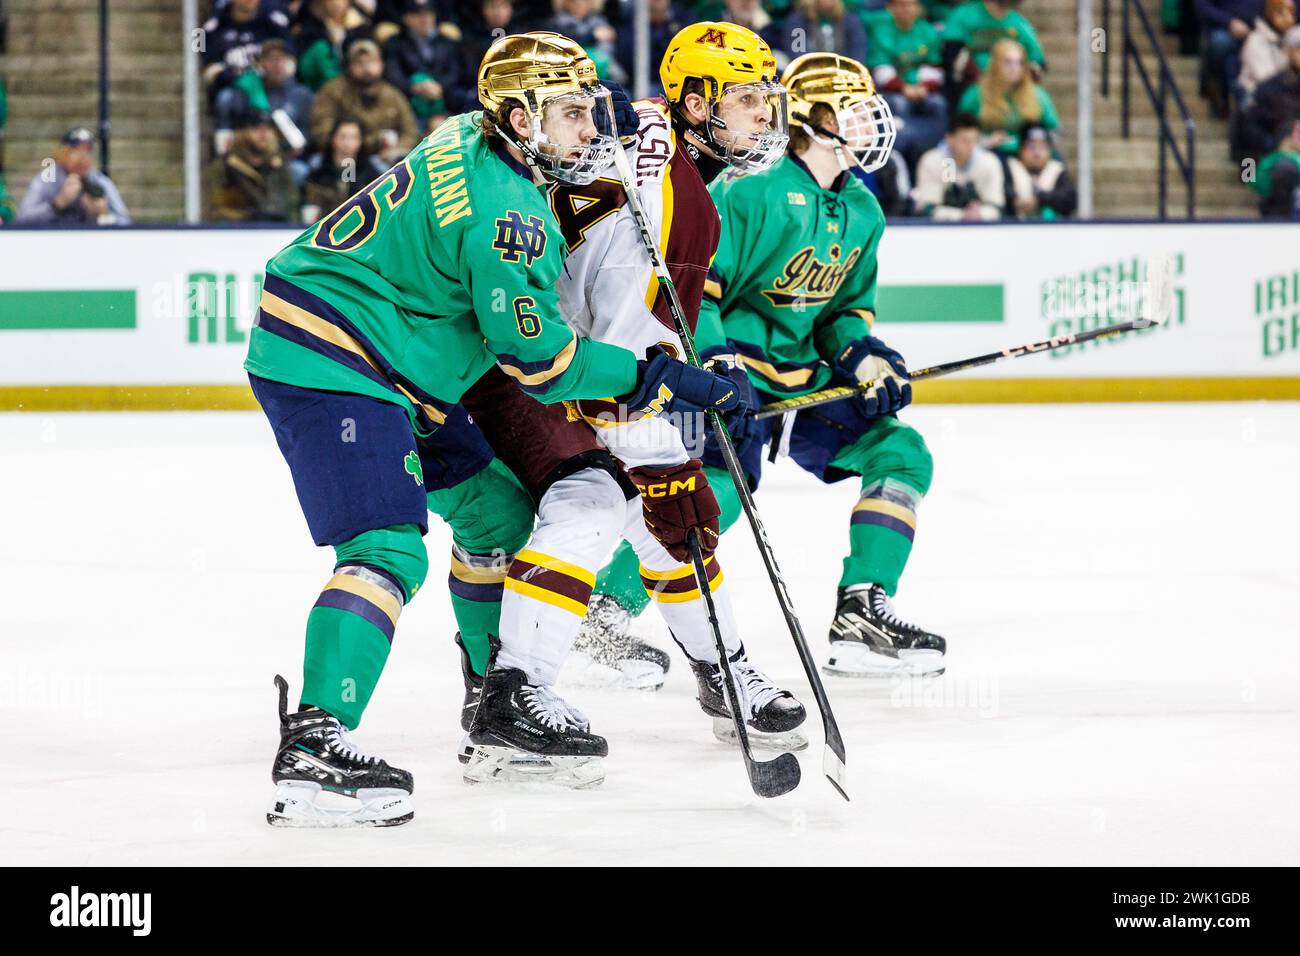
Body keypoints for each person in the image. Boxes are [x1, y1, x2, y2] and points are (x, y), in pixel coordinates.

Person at [251, 32, 743, 825]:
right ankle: (314, 743)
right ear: (519, 118)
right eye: (572, 114)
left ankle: (497, 713)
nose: (590, 131)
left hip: (392, 361)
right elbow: (543, 362)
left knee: (499, 516)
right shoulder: (508, 215)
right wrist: (659, 377)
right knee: (385, 550)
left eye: (591, 110)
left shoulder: (470, 134)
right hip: (335, 361)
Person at [458, 23, 805, 789]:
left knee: (672, 523)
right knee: (598, 500)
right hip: (516, 360)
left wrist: (674, 430)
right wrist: (665, 454)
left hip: (560, 353)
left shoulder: (658, 144)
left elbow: (624, 328)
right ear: (693, 103)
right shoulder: (669, 192)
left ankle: (725, 673)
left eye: (766, 100)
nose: (765, 117)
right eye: (747, 101)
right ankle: (512, 697)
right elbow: (609, 337)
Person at [578, 52, 946, 682]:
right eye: (851, 111)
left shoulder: (865, 209)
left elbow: (845, 310)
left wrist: (863, 355)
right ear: (812, 116)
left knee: (902, 452)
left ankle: (861, 608)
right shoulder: (751, 188)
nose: (866, 124)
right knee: (716, 486)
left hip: (804, 377)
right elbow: (700, 290)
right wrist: (719, 363)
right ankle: (604, 613)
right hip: (732, 370)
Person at [309, 38, 420, 165]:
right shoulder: (333, 91)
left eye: (371, 62)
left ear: (381, 64)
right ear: (349, 66)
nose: (367, 68)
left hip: (385, 158)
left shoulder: (392, 94)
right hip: (345, 157)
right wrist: (368, 144)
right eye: (359, 63)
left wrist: (395, 150)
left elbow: (410, 131)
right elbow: (322, 132)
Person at [867, 0, 947, 167]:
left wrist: (924, 87)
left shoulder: (926, 30)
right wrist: (904, 88)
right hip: (892, 91)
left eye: (911, 5)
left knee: (939, 104)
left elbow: (934, 65)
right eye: (902, 5)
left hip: (922, 89)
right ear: (892, 8)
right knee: (899, 104)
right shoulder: (882, 31)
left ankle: (938, 151)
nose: (907, 9)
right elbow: (879, 69)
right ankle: (899, 154)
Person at [957, 37, 1058, 155]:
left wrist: (1022, 143)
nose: (1014, 68)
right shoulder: (975, 94)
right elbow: (960, 132)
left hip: (1028, 156)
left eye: (1019, 63)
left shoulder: (1038, 95)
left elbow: (1054, 132)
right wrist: (986, 141)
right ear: (995, 65)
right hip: (987, 153)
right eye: (1008, 62)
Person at [16, 127, 130, 225]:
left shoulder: (99, 181)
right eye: (75, 151)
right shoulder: (47, 178)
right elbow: (22, 218)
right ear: (62, 154)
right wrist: (57, 205)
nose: (82, 158)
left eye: (88, 152)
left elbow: (126, 223)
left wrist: (103, 214)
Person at [206, 108, 300, 221]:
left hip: (277, 228)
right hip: (237, 230)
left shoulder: (278, 164)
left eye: (268, 128)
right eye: (256, 128)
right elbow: (216, 208)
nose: (264, 134)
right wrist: (247, 217)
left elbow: (293, 202)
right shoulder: (226, 166)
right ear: (241, 132)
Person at [382, 0, 466, 124]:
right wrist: (416, 87)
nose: (424, 19)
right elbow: (392, 74)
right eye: (418, 15)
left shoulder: (447, 42)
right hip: (409, 103)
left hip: (443, 100)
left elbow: (455, 72)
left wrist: (439, 86)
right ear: (407, 18)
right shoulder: (395, 43)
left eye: (428, 14)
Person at [913, 110, 1005, 219]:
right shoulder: (932, 161)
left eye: (975, 140)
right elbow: (926, 208)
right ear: (949, 138)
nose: (971, 146)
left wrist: (981, 213)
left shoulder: (989, 162)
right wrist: (961, 215)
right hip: (939, 230)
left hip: (980, 228)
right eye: (965, 141)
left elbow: (997, 206)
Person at [300, 116, 389, 220]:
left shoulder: (371, 177)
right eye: (343, 137)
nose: (347, 143)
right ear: (333, 139)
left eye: (353, 137)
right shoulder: (317, 176)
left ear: (361, 141)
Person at [943, 0, 1045, 83]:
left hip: (1012, 85)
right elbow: (951, 53)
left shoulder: (1020, 23)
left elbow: (1038, 61)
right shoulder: (965, 15)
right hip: (972, 84)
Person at [1006, 121, 1076, 219]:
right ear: (1020, 149)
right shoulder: (1010, 167)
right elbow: (1003, 194)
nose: (1037, 153)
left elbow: (1070, 200)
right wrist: (1015, 201)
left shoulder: (1056, 169)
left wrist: (1039, 199)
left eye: (1043, 147)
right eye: (1031, 147)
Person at [1239, 0, 1297, 100]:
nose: (1289, 19)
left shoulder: (1292, 39)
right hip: (1256, 95)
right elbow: (1267, 81)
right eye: (1281, 13)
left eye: (1291, 13)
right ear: (1270, 14)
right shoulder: (1256, 41)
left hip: (1286, 92)